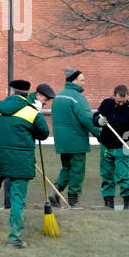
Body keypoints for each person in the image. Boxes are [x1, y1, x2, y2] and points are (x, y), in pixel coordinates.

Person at [0, 80, 52, 248]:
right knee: (17, 199)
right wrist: (38, 114)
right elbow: (44, 133)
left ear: (11, 91)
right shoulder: (31, 113)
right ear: (26, 94)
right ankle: (15, 239)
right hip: (21, 162)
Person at [50, 69, 100, 209]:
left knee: (66, 167)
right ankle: (73, 201)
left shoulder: (58, 97)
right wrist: (100, 134)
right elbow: (87, 119)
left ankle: (56, 191)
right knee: (77, 170)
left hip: (61, 141)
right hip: (76, 140)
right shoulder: (77, 98)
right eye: (82, 80)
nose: (84, 83)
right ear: (74, 81)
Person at [95, 84, 129, 209]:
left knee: (122, 176)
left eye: (124, 101)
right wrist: (98, 120)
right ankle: (108, 202)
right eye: (119, 101)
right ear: (114, 96)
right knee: (107, 175)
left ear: (127, 97)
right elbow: (96, 116)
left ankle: (128, 203)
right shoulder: (106, 103)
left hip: (122, 148)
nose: (121, 104)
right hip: (106, 147)